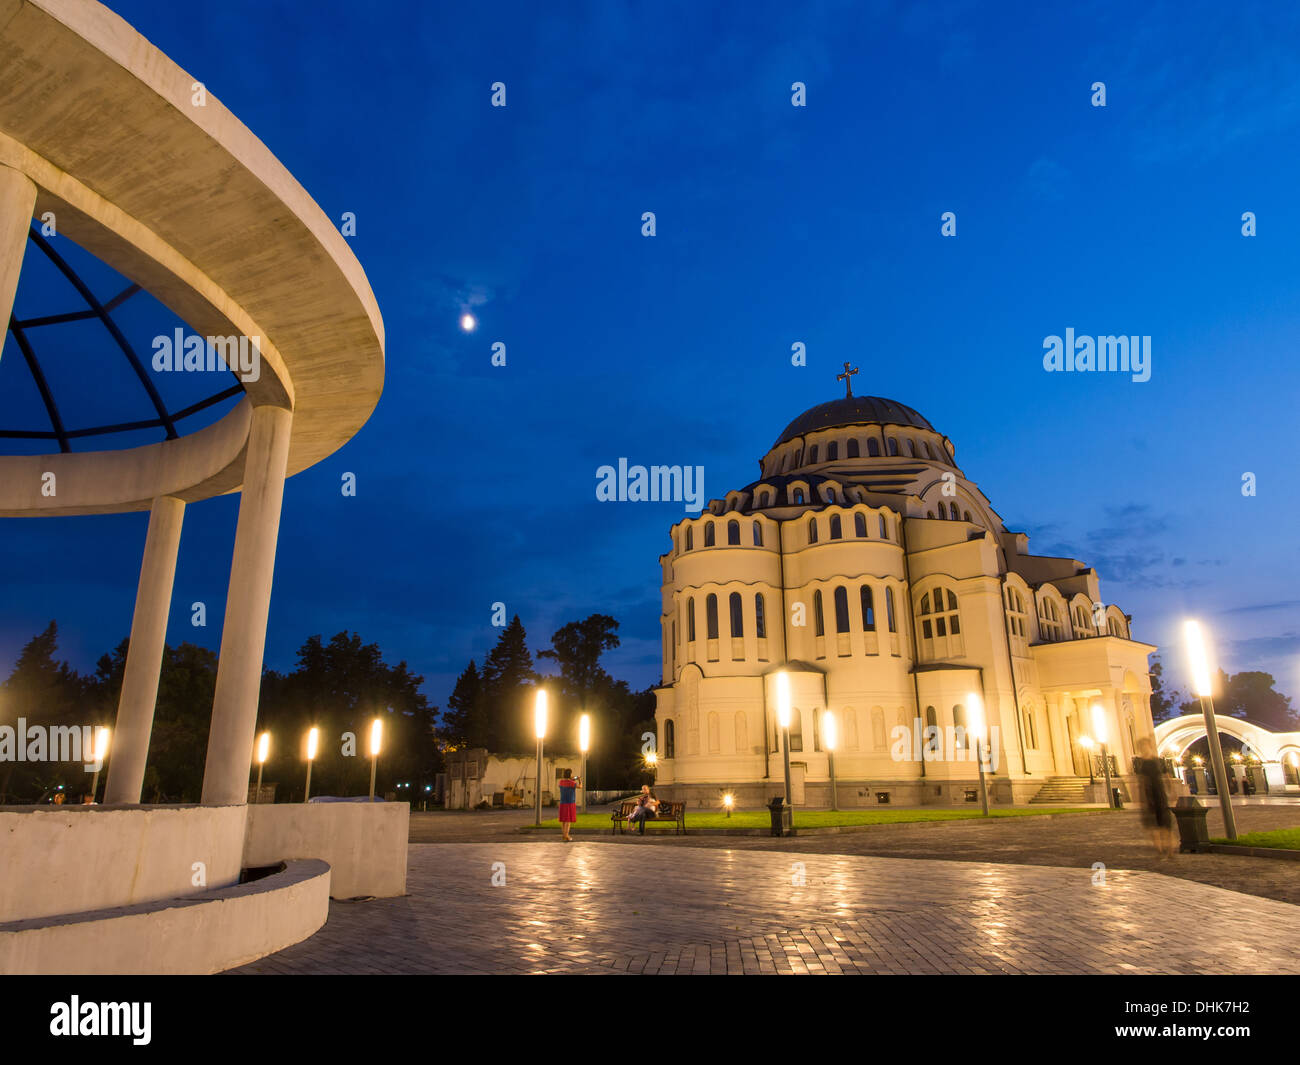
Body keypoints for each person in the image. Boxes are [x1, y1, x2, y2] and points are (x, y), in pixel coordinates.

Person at [1134, 737, 1175, 858]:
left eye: (1145, 745)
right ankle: (1160, 849)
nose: (1144, 748)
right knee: (1153, 824)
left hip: (1159, 792)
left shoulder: (1158, 761)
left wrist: (1171, 791)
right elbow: (1141, 781)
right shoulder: (1139, 762)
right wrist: (1141, 798)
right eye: (1142, 746)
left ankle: (1170, 849)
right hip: (1149, 794)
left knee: (1165, 823)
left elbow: (1167, 776)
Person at [558, 771, 579, 842]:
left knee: (564, 820)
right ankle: (566, 836)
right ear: (570, 775)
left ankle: (564, 835)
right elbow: (580, 786)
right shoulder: (572, 783)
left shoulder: (561, 782)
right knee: (568, 820)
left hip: (562, 803)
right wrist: (579, 780)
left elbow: (566, 784)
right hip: (570, 803)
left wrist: (571, 780)